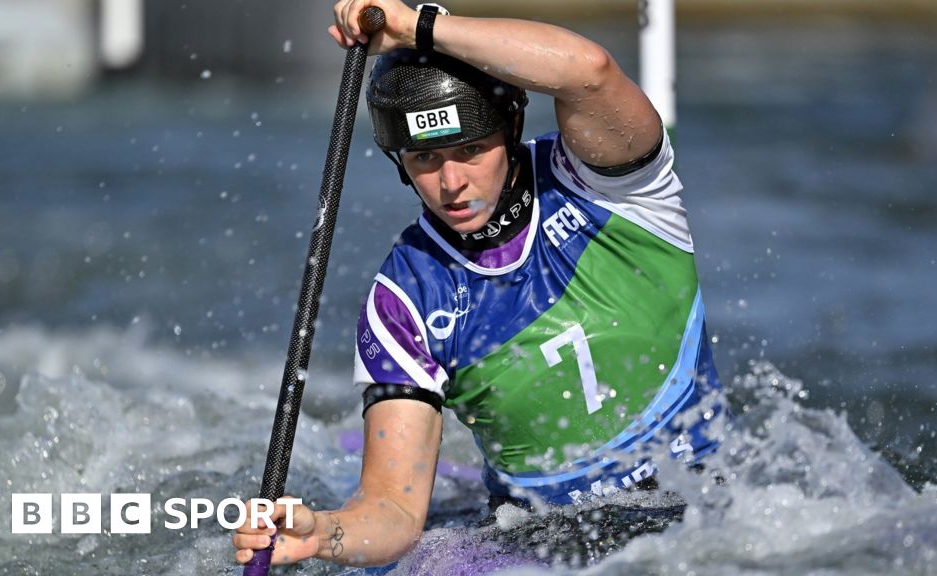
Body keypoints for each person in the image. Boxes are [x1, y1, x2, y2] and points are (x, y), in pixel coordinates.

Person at [233, 0, 724, 568]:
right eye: (424, 157)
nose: (451, 182)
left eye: (471, 149)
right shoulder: (405, 298)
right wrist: (322, 535)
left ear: (511, 126)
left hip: (705, 513)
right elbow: (392, 510)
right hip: (536, 540)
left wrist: (418, 27)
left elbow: (587, 71)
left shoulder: (611, 185)